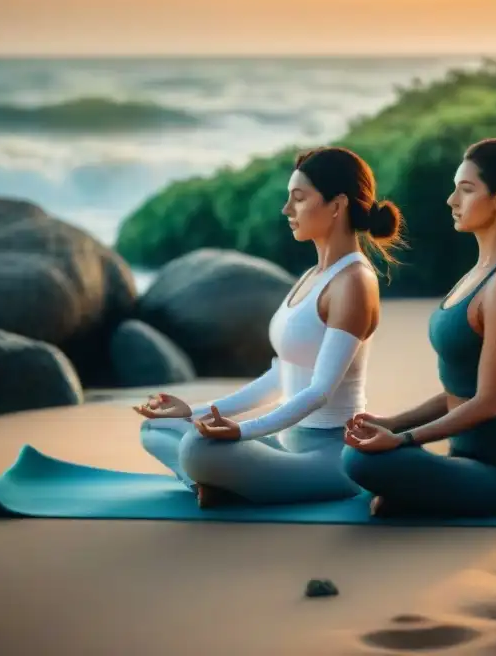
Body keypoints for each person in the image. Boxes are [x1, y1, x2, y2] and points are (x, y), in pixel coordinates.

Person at [133, 146, 404, 507]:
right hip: (283, 442)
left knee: (198, 447)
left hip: (329, 458)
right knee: (158, 428)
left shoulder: (353, 282)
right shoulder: (312, 276)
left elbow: (320, 390)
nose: (286, 210)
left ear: (336, 205)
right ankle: (210, 484)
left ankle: (216, 482)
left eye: (298, 198)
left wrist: (243, 430)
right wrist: (194, 412)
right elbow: (280, 377)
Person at [341, 138, 496, 518]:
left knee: (363, 464)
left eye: (466, 190)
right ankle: (417, 494)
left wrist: (402, 439)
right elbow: (457, 393)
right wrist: (391, 423)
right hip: (463, 457)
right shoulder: (478, 274)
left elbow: (487, 403)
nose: (452, 200)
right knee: (357, 452)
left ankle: (415, 496)